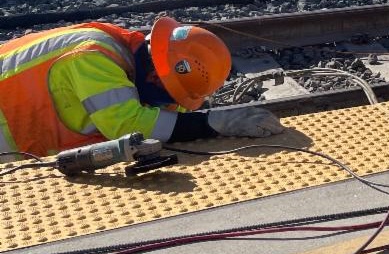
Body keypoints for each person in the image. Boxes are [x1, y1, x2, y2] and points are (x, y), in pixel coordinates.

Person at [0, 16, 284, 159]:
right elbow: (127, 125)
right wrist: (216, 123)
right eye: (168, 93)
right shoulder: (93, 57)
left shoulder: (134, 61)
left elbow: (174, 112)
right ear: (154, 78)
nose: (168, 103)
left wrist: (205, 117)